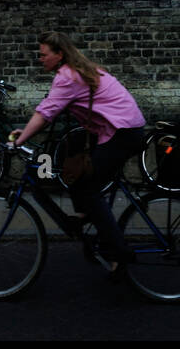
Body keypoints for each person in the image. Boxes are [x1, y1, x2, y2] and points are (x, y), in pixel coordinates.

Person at [9, 31, 146, 275]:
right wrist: (26, 132)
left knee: (90, 189)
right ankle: (84, 216)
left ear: (59, 54)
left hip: (123, 132)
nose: (40, 59)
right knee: (73, 168)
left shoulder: (67, 76)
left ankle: (118, 253)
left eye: (43, 55)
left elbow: (46, 112)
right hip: (116, 129)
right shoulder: (74, 71)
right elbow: (52, 108)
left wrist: (20, 141)